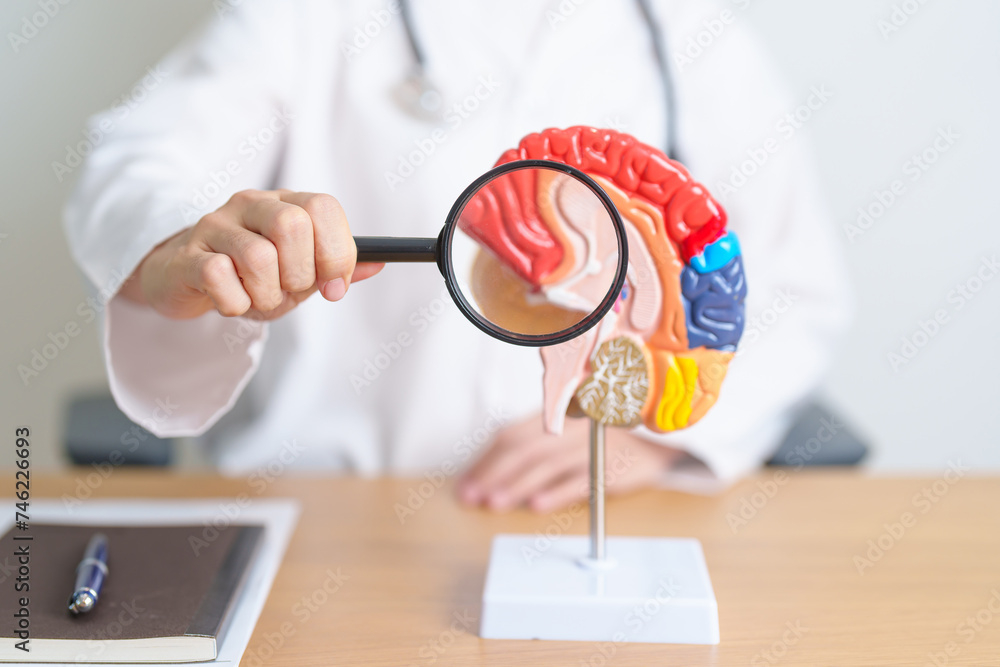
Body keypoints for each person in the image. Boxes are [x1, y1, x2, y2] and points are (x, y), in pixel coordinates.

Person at [64, 0, 850, 511]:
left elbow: (797, 293)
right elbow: (138, 162)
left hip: (603, 519)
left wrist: (654, 432)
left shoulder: (694, 35)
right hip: (333, 522)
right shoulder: (303, 17)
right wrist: (179, 242)